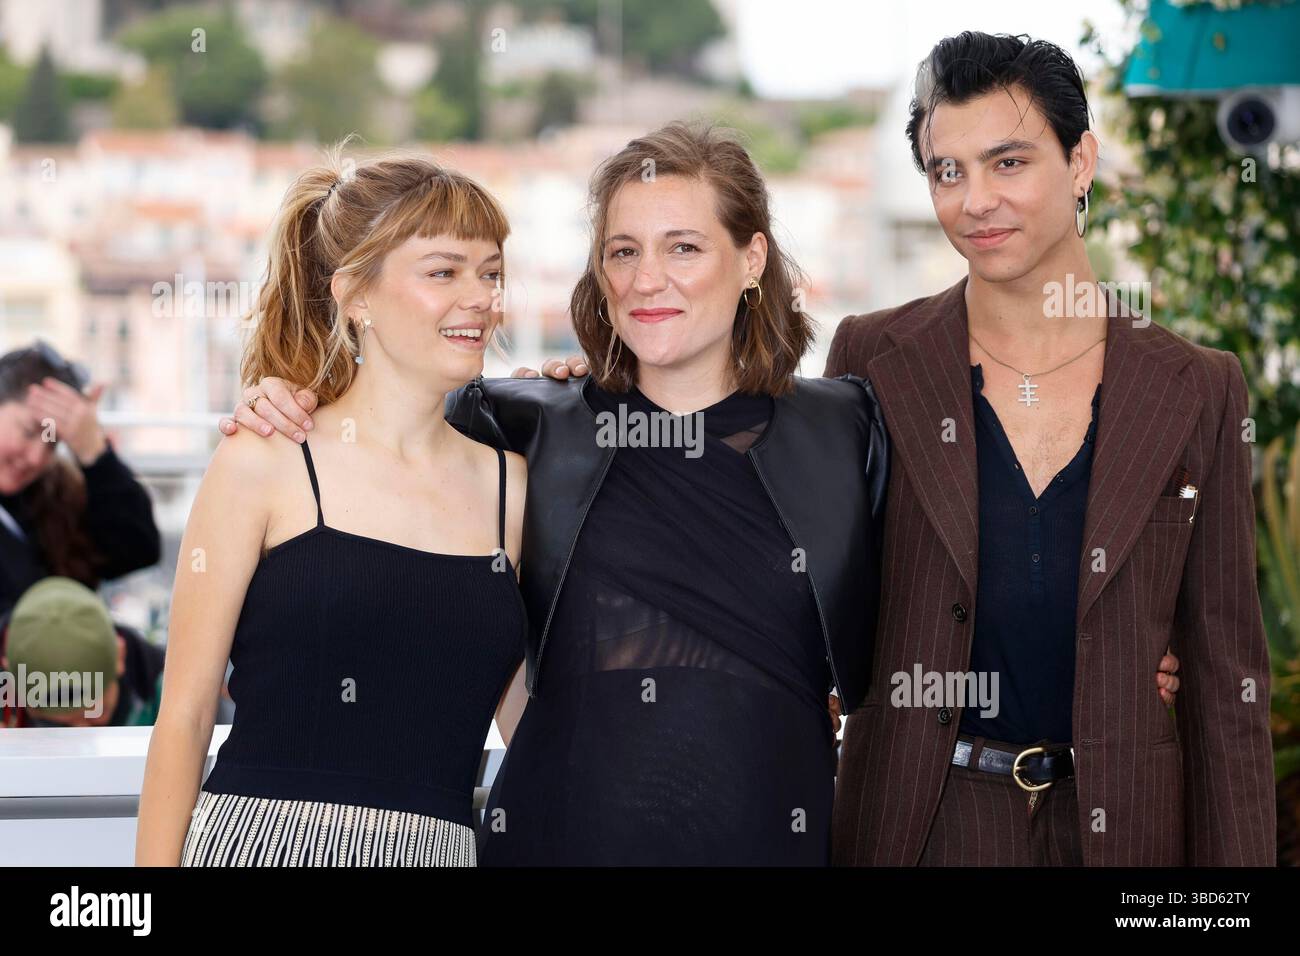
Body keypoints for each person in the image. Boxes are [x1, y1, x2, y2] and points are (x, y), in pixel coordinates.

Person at [226, 121, 888, 866]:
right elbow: (380, 429)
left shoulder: (850, 427)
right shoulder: (519, 427)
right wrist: (286, 399)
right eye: (623, 252)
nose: (647, 279)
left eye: (684, 247)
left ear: (752, 259)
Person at [824, 32, 1273, 865]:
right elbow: (814, 601)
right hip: (921, 824)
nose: (975, 201)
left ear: (1080, 162)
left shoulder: (1199, 387)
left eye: (1009, 163)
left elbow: (1226, 683)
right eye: (946, 171)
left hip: (1127, 829)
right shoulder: (871, 360)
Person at [135, 147, 528, 867]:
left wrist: (569, 403)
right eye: (444, 271)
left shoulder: (515, 489)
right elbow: (184, 719)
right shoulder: (263, 460)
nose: (481, 297)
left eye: (491, 272)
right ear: (357, 296)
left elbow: (531, 733)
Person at [0, 342, 160, 617]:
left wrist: (95, 455)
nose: (37, 458)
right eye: (28, 431)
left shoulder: (52, 497)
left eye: (53, 443)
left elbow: (137, 549)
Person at [0, 576, 163, 727]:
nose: (82, 729)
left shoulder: (171, 692)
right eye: (58, 728)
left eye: (95, 716)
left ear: (120, 654)